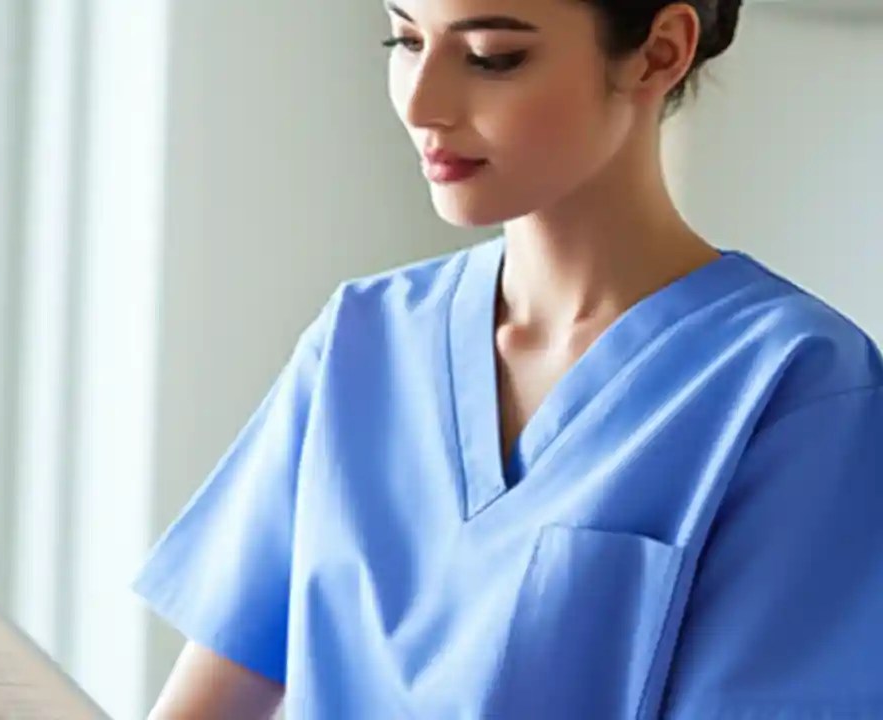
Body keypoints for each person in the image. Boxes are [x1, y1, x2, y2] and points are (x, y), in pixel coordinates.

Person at [131, 0, 883, 717]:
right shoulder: (361, 340)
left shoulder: (795, 384)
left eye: (493, 57)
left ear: (660, 52)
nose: (423, 104)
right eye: (406, 41)